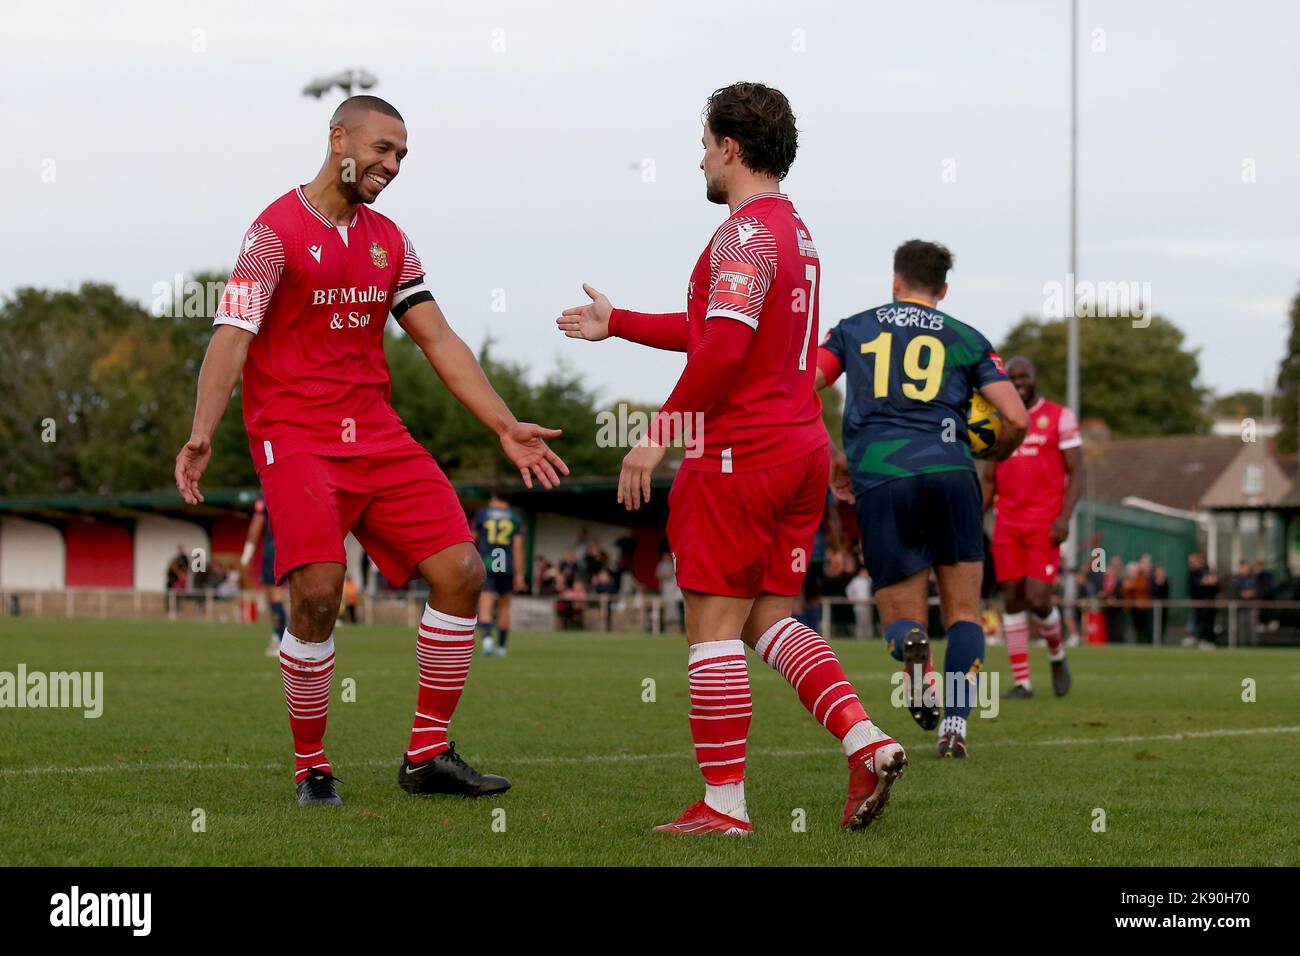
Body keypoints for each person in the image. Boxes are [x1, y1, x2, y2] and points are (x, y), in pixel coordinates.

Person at [174, 95, 568, 808]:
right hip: (294, 436)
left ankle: (427, 756)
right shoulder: (273, 233)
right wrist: (204, 431)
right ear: (338, 138)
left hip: (377, 434)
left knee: (461, 571)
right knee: (320, 591)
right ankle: (312, 767)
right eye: (383, 148)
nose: (392, 165)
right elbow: (230, 337)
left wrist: (504, 425)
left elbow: (439, 339)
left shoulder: (392, 239)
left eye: (402, 156)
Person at [557, 82, 904, 833]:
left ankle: (724, 807)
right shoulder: (795, 233)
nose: (701, 159)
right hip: (802, 449)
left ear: (731, 148)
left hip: (742, 455)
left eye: (704, 145)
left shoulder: (743, 236)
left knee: (713, 627)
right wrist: (618, 323)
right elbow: (711, 326)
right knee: (770, 622)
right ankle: (864, 739)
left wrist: (658, 433)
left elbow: (723, 347)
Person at [816, 239, 1028, 757]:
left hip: (882, 476)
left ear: (895, 282)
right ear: (944, 289)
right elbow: (1017, 417)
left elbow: (800, 389)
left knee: (902, 614)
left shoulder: (853, 329)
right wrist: (998, 451)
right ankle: (954, 723)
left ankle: (913, 657)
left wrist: (833, 457)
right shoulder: (966, 339)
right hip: (953, 473)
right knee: (964, 613)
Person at [979, 356, 1082, 699]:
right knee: (1011, 600)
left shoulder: (1060, 417)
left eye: (1025, 375)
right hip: (1007, 524)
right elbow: (989, 478)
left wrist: (1065, 517)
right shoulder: (997, 420)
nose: (1019, 381)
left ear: (1035, 378)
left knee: (1038, 599)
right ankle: (1022, 682)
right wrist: (975, 517)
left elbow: (1078, 473)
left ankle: (1057, 653)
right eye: (1013, 376)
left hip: (1045, 524)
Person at [472, 487, 525, 657]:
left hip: (488, 563)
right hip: (506, 565)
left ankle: (487, 642)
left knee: (485, 605)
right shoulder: (515, 517)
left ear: (493, 496)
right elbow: (517, 547)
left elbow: (471, 539)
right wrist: (520, 574)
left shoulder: (483, 514)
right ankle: (502, 648)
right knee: (504, 607)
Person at [241, 495, 286, 657]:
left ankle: (281, 640)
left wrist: (247, 554)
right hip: (294, 545)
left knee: (274, 595)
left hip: (274, 549)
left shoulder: (267, 492)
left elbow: (257, 521)